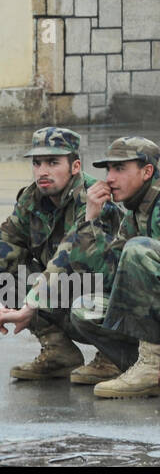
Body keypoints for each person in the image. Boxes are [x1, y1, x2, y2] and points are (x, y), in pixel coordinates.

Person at [58, 137, 160, 399]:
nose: (110, 178)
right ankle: (151, 370)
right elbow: (108, 276)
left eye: (120, 169)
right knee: (84, 310)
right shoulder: (136, 212)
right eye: (108, 170)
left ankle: (157, 364)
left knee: (138, 249)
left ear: (146, 172)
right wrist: (91, 219)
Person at [0, 128, 112, 382]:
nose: (42, 171)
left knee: (81, 303)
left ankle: (113, 356)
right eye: (37, 163)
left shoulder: (95, 199)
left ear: (75, 166)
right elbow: (6, 242)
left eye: (53, 162)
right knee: (8, 274)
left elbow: (70, 257)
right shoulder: (32, 198)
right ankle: (58, 351)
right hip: (63, 289)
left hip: (104, 294)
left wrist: (32, 302)